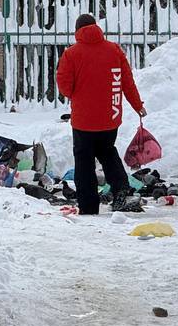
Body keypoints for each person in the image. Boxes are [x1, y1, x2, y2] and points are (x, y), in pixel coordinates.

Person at [56, 13, 147, 214]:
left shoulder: (71, 54)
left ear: (77, 31)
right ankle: (121, 189)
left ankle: (89, 207)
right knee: (107, 151)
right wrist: (137, 105)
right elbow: (127, 82)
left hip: (83, 121)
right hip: (110, 118)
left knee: (84, 161)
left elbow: (65, 88)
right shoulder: (114, 50)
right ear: (96, 27)